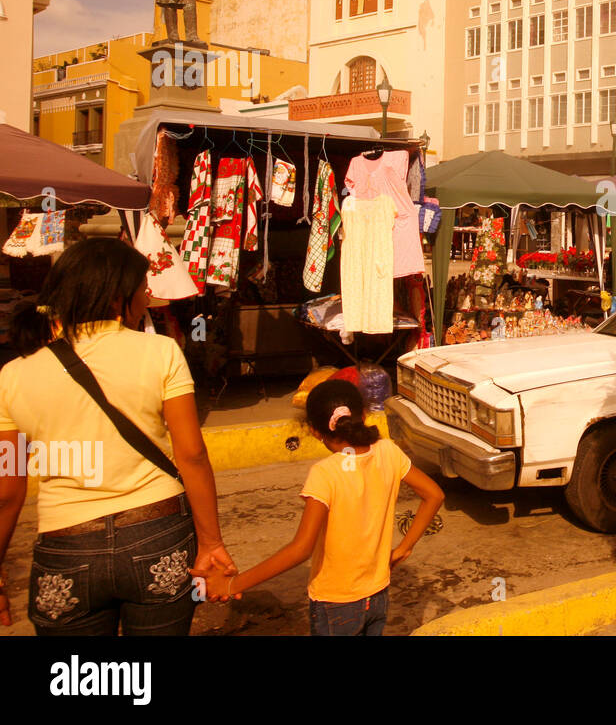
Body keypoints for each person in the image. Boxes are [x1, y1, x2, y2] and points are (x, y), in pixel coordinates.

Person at [0, 239, 234, 633]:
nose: (148, 293)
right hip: (158, 537)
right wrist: (211, 543)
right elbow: (191, 455)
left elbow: (7, 490)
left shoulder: (13, 377)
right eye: (143, 285)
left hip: (66, 547)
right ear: (115, 294)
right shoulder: (160, 353)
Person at [193, 380, 444, 635]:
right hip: (378, 595)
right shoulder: (388, 451)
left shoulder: (325, 474)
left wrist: (233, 584)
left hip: (336, 603)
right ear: (364, 416)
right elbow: (434, 495)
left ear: (313, 430)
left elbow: (301, 549)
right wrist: (404, 548)